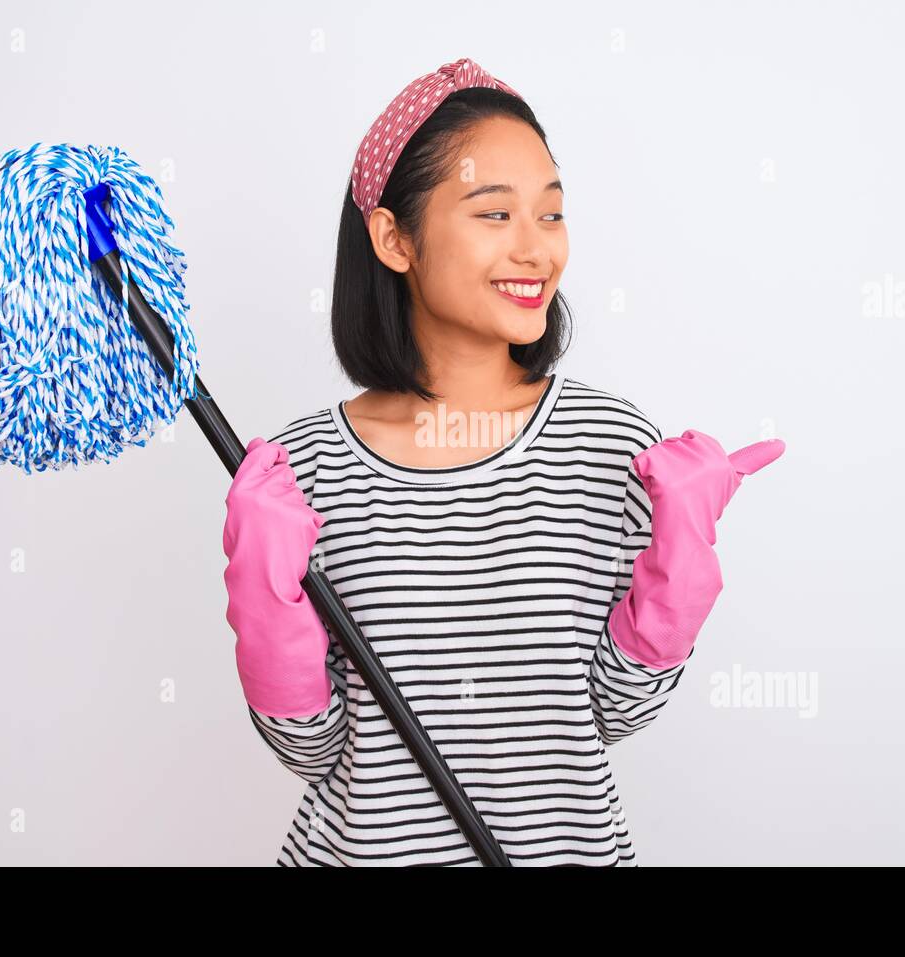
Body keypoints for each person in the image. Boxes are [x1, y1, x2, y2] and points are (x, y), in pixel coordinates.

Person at [221, 58, 784, 866]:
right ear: (394, 237)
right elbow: (312, 754)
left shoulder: (615, 447)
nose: (537, 250)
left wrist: (679, 570)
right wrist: (264, 607)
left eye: (551, 215)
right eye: (494, 214)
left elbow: (610, 714)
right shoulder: (298, 474)